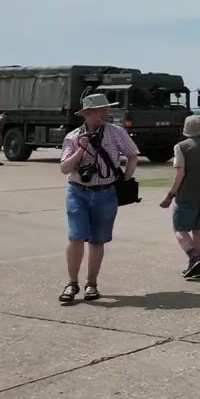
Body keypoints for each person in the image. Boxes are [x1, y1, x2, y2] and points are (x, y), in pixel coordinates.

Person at [57, 94, 140, 303]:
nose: (106, 113)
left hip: (106, 192)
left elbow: (132, 154)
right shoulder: (73, 136)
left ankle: (91, 284)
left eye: (106, 109)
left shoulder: (116, 133)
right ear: (87, 114)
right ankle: (72, 283)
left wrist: (126, 179)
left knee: (97, 240)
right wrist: (81, 148)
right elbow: (64, 168)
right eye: (101, 110)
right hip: (78, 191)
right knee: (76, 236)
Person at [160, 115, 200, 279]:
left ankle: (193, 258)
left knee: (180, 229)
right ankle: (195, 267)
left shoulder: (181, 147)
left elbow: (180, 173)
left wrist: (170, 195)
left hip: (187, 195)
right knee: (199, 230)